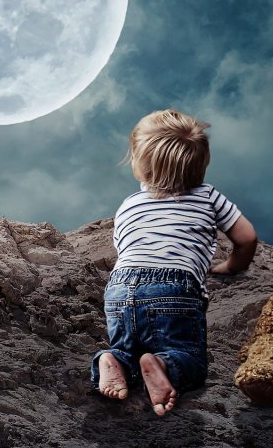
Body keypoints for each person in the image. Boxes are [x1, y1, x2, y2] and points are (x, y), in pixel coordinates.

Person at [90, 108, 258, 416]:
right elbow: (246, 237)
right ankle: (165, 364)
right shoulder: (208, 196)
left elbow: (124, 247)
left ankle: (113, 359)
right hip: (173, 287)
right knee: (189, 356)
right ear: (201, 164)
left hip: (120, 286)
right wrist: (232, 266)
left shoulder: (129, 204)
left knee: (129, 345)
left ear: (139, 165)